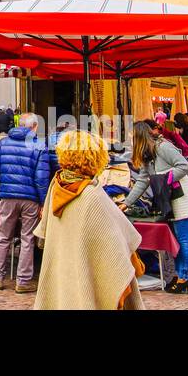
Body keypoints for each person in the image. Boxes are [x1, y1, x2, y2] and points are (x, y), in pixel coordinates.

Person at [34, 130, 144, 310]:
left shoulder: (56, 185)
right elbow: (116, 247)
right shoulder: (91, 195)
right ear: (96, 157)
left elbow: (44, 234)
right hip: (84, 272)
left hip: (63, 268)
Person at [119, 120, 188, 294]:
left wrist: (165, 179)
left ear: (140, 136)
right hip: (167, 199)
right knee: (177, 239)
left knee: (183, 238)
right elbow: (142, 181)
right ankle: (180, 276)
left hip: (180, 197)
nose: (130, 141)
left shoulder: (163, 147)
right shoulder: (147, 154)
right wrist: (126, 203)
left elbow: (184, 166)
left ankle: (183, 278)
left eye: (132, 137)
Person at [0, 112, 54, 293]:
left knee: (3, 236)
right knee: (27, 239)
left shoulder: (4, 143)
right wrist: (43, 201)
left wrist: (7, 177)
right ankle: (22, 281)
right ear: (33, 127)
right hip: (30, 198)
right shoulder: (39, 145)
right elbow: (41, 178)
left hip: (7, 196)